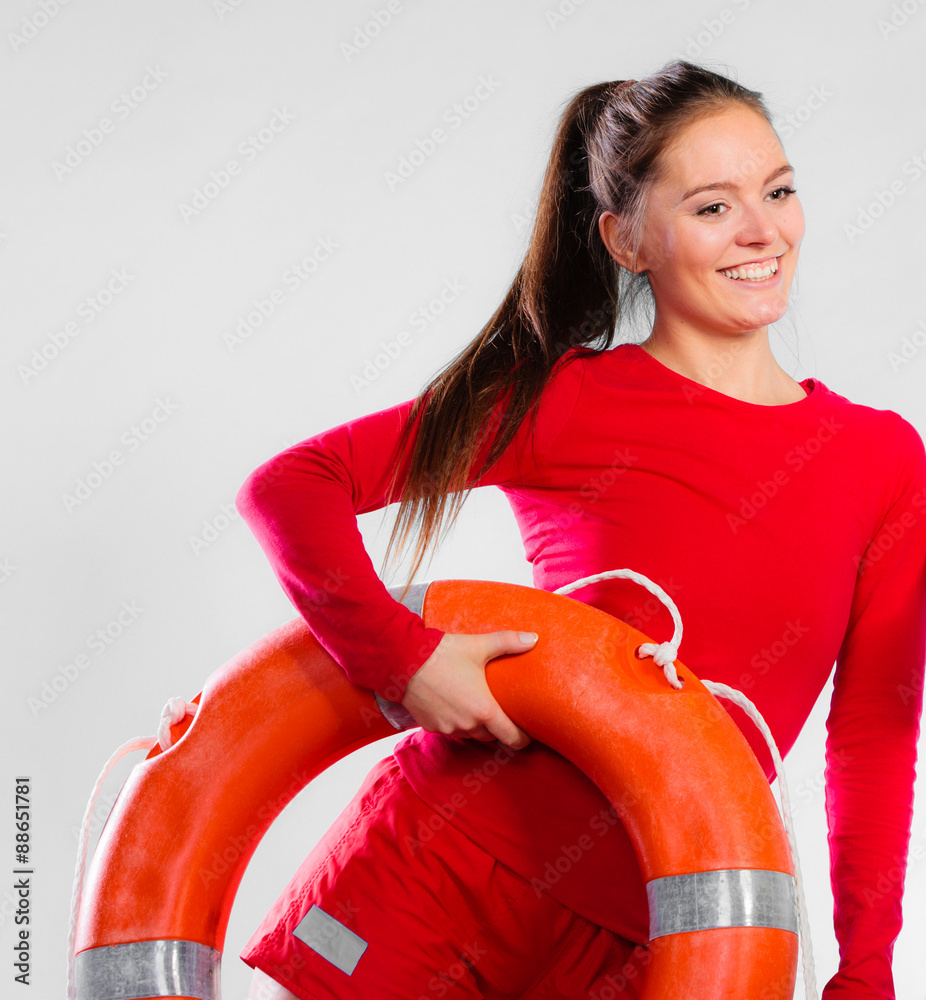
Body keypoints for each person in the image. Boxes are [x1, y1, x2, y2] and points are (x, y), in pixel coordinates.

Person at [237, 59, 926, 999]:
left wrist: (868, 969)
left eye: (778, 190)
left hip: (663, 921)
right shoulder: (565, 401)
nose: (764, 230)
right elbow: (292, 485)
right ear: (627, 239)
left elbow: (874, 736)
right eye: (713, 207)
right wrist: (400, 658)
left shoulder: (882, 458)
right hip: (444, 867)